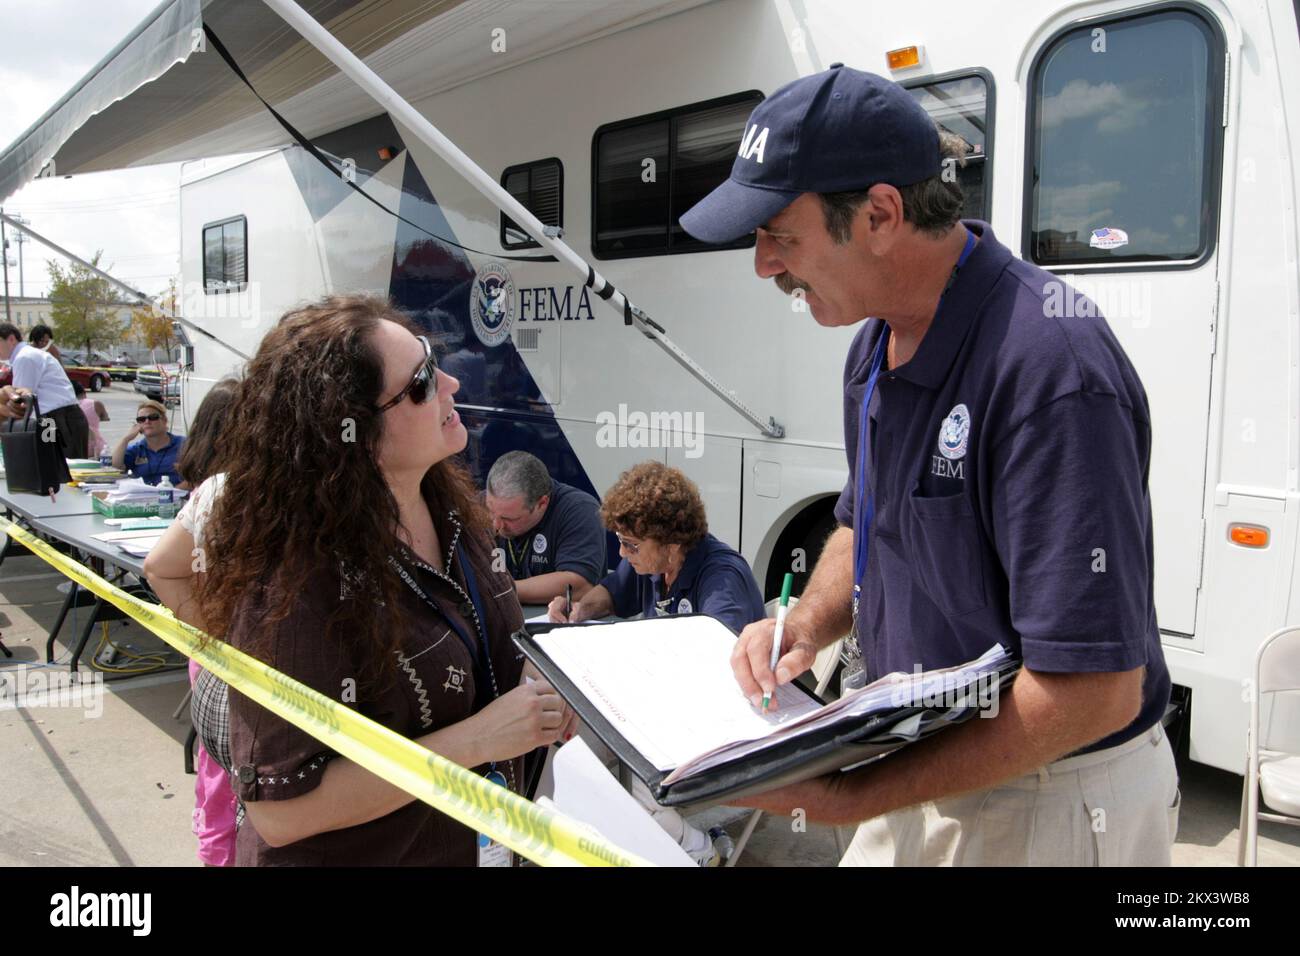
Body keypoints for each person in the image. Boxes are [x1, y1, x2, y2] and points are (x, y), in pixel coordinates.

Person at [679, 64, 1177, 866]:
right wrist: (803, 623)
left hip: (1048, 799)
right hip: (922, 770)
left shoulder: (1050, 366)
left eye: (780, 233)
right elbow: (865, 524)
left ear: (879, 214)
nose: (764, 265)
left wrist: (852, 797)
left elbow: (1094, 692)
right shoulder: (873, 348)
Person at [188, 295, 575, 866]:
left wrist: (546, 686)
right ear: (353, 433)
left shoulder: (451, 510)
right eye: (420, 382)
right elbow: (281, 811)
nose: (451, 383)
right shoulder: (295, 581)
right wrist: (480, 740)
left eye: (433, 361)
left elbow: (488, 652)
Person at [142, 377, 241, 866]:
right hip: (228, 661)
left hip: (211, 657)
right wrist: (220, 639)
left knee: (214, 776)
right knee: (225, 781)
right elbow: (160, 567)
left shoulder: (209, 490)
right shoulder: (226, 492)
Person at [549, 461, 764, 635]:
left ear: (670, 545)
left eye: (631, 545)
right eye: (620, 539)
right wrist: (580, 609)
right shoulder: (653, 563)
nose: (622, 553)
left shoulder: (722, 581)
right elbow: (612, 594)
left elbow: (720, 653)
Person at [485, 451, 607, 605]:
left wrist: (500, 591)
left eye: (509, 519)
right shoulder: (476, 507)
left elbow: (578, 584)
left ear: (542, 503)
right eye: (491, 512)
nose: (496, 525)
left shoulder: (579, 509)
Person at [0, 322, 87, 461]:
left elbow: (20, 402)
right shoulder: (28, 355)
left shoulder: (24, 357)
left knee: (60, 470)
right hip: (57, 418)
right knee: (57, 469)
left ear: (11, 339)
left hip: (56, 419)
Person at [112, 399, 184, 486]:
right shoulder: (137, 449)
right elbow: (115, 467)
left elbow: (197, 478)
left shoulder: (184, 444)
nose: (147, 422)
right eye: (141, 419)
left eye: (153, 417)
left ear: (164, 420)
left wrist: (173, 492)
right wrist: (126, 439)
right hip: (144, 496)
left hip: (178, 495)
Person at [72, 381, 110, 458]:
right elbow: (106, 418)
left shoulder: (68, 407)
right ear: (84, 391)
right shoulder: (96, 403)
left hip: (77, 449)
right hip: (97, 449)